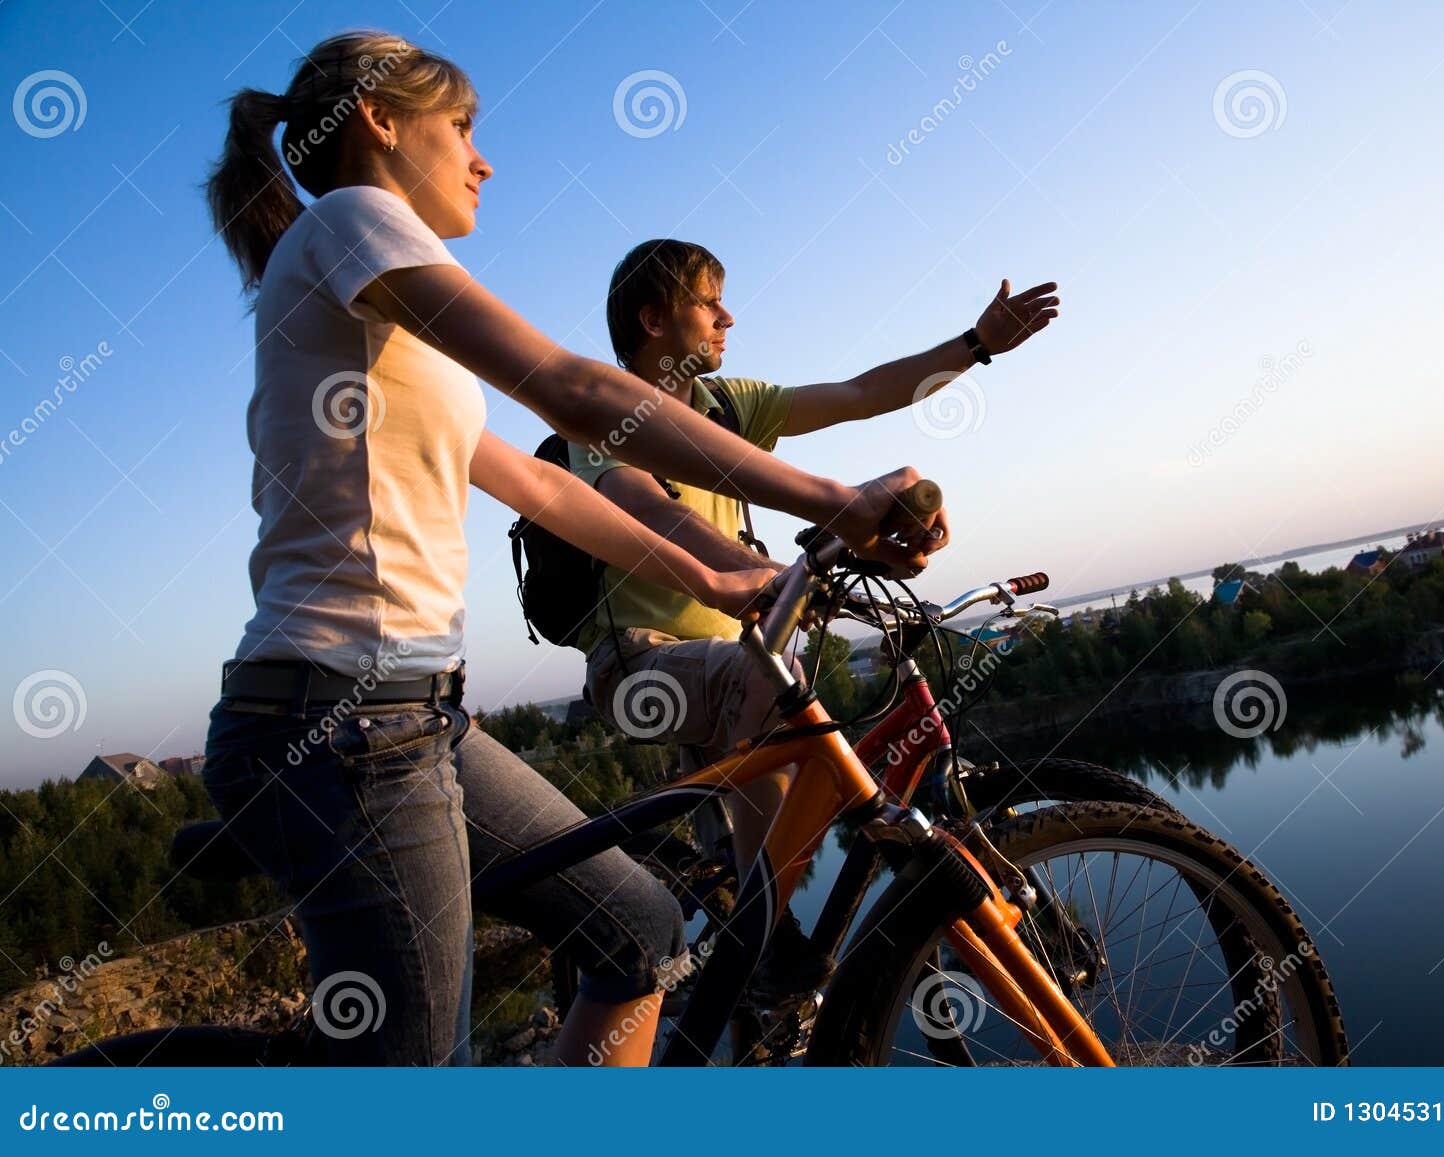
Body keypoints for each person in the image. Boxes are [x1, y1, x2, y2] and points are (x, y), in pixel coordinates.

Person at [200, 30, 944, 1066]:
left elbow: (539, 480)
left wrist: (713, 575)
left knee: (636, 932)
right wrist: (831, 494)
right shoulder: (351, 221)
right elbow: (573, 390)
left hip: (412, 715)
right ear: (375, 120)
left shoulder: (383, 314)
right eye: (460, 126)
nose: (483, 157)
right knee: (416, 1077)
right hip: (341, 723)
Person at [572, 239, 1053, 1002]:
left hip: (736, 656)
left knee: (777, 696)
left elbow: (863, 391)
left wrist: (975, 346)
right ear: (653, 317)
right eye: (708, 302)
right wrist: (746, 571)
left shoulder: (728, 407)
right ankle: (761, 929)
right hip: (640, 663)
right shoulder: (602, 412)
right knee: (774, 685)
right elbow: (646, 508)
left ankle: (761, 973)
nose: (729, 316)